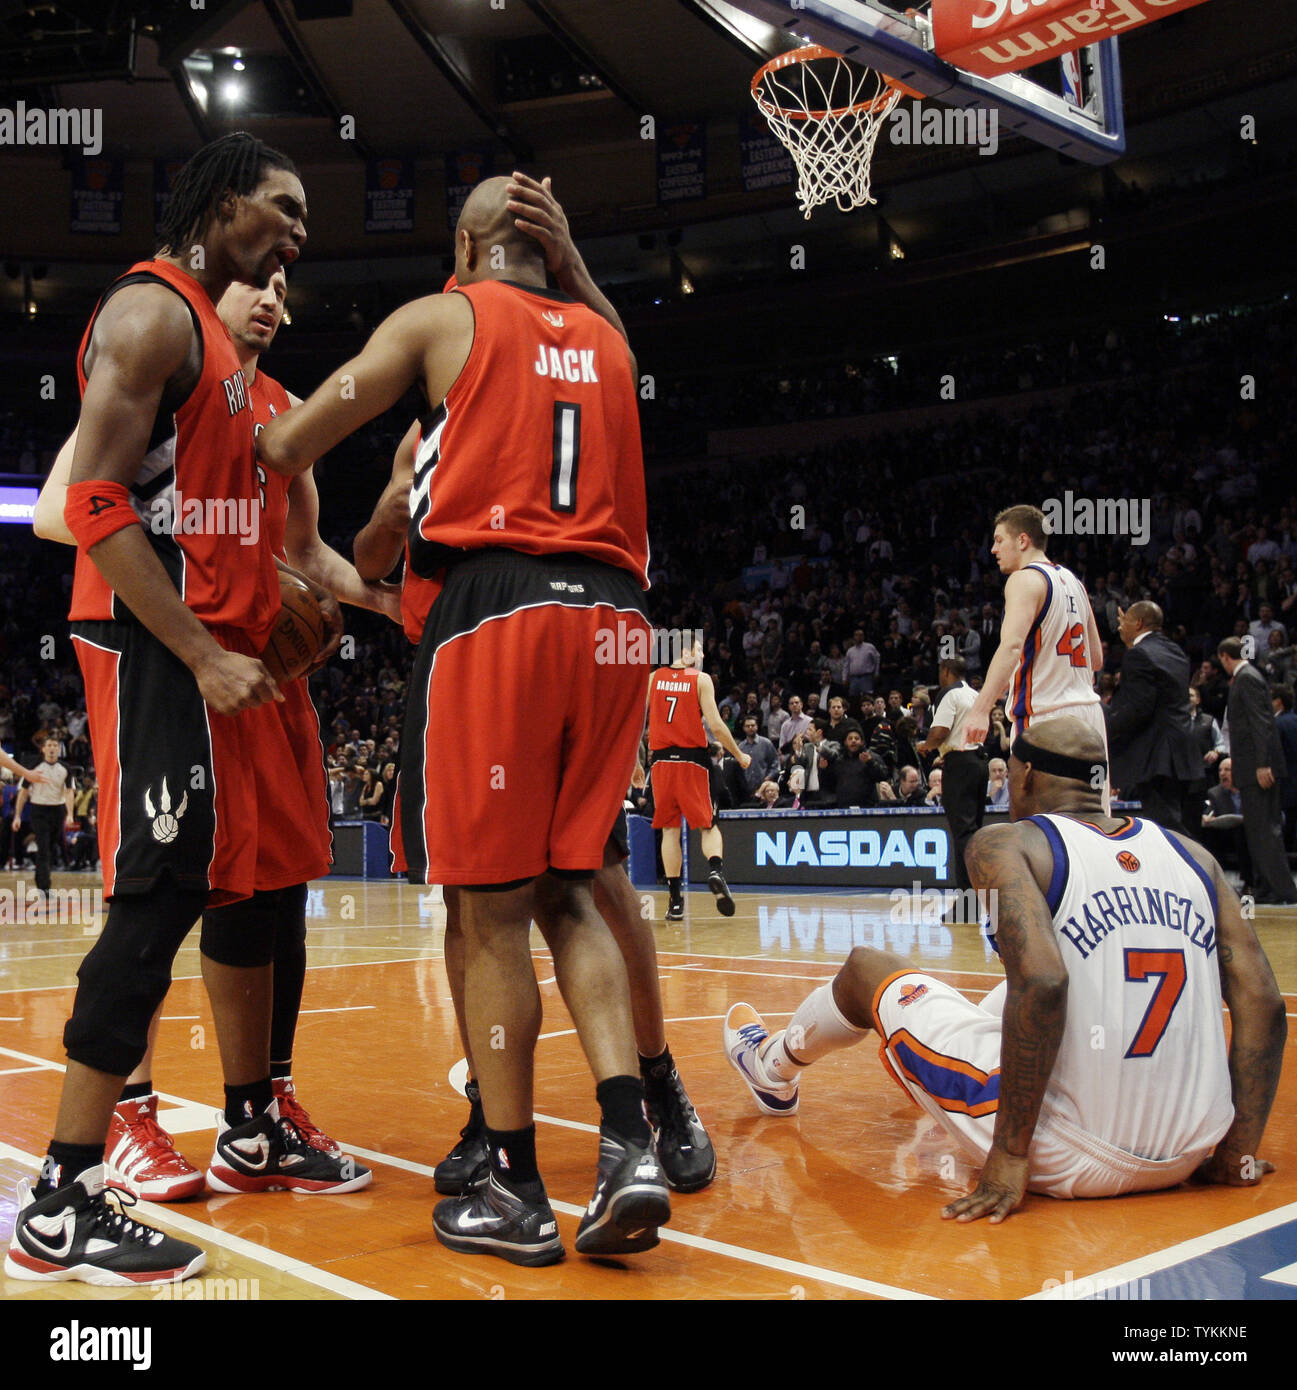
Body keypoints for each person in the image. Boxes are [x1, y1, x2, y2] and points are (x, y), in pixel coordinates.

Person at [260, 172, 672, 1264]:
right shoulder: (610, 340)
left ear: (461, 243)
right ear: (555, 244)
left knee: (486, 915)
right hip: (618, 625)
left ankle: (516, 1182)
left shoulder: (443, 317)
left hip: (498, 617)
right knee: (571, 891)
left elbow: (288, 439)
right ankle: (629, 1142)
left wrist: (296, 509)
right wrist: (578, 265)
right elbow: (600, 326)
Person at [6, 132, 325, 1288]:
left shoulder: (219, 344)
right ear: (225, 196)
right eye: (283, 210)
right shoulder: (151, 315)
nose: (297, 235)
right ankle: (66, 1192)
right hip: (154, 652)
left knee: (180, 887)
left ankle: (83, 1181)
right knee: (153, 897)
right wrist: (199, 651)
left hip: (187, 651)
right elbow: (87, 502)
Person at [32, 264, 388, 1203]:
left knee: (269, 875)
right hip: (144, 636)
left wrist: (380, 598)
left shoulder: (285, 409)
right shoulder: (163, 359)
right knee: (152, 879)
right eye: (250, 281)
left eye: (284, 282)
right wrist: (191, 570)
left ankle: (255, 1119)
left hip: (252, 650)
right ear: (205, 294)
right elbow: (51, 513)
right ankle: (125, 1115)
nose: (271, 295)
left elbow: (306, 554)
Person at [724, 715, 1285, 1221]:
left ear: (1027, 774)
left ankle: (771, 1069)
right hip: (1188, 1151)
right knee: (1007, 993)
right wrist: (1234, 1153)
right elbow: (1264, 1002)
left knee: (867, 966)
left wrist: (1011, 1156)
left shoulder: (1003, 845)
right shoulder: (1194, 857)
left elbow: (1043, 982)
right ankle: (930, 1063)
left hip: (1066, 1156)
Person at [962, 505, 1109, 809]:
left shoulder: (1024, 579)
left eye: (999, 540)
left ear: (1023, 540)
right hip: (1090, 718)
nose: (993, 549)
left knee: (1038, 830)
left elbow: (1012, 647)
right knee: (1094, 823)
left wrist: (980, 709)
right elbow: (1096, 659)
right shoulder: (1073, 582)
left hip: (1045, 718)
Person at [646, 638, 751, 922]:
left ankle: (675, 901)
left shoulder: (653, 679)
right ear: (684, 652)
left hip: (661, 763)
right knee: (707, 824)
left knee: (669, 830)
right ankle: (715, 870)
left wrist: (633, 761)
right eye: (698, 649)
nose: (703, 654)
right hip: (692, 761)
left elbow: (633, 720)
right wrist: (739, 754)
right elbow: (716, 725)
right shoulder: (700, 679)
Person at [1103, 602, 1199, 834]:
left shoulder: (1138, 655)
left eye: (1124, 622)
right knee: (1178, 823)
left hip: (1157, 755)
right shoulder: (1174, 650)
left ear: (1138, 624)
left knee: (1166, 829)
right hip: (1182, 750)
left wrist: (1104, 728)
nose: (1119, 627)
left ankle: (1196, 869)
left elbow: (1138, 708)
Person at [1218, 636, 1297, 903]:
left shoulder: (1247, 677)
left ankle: (1284, 890)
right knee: (1257, 830)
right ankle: (1266, 888)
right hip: (1252, 767)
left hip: (1257, 768)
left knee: (1265, 831)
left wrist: (1263, 764)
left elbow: (1261, 723)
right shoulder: (1248, 676)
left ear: (1225, 657)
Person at [919, 656, 985, 921]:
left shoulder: (949, 693)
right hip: (979, 762)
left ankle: (967, 907)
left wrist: (926, 745)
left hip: (960, 765)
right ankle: (977, 903)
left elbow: (940, 732)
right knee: (974, 832)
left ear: (945, 671)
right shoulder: (976, 694)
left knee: (963, 835)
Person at [11, 737, 74, 895]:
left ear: (59, 749)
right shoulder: (34, 767)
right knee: (44, 848)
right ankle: (44, 887)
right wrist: (17, 816)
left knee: (50, 848)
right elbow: (23, 793)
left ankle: (40, 878)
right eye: (49, 745)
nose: (52, 748)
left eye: (55, 745)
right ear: (43, 749)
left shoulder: (65, 768)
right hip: (39, 810)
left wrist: (70, 814)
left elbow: (68, 792)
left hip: (58, 810)